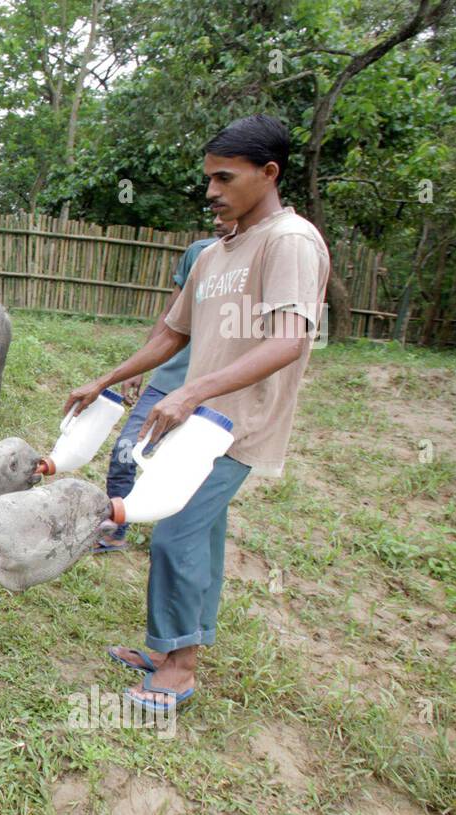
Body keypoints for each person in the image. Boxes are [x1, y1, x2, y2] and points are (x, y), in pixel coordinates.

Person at [64, 114, 329, 713]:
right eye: (208, 178)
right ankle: (171, 651)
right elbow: (171, 333)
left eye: (224, 177)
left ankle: (178, 670)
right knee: (200, 534)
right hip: (198, 418)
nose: (211, 191)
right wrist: (107, 379)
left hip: (236, 422)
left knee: (176, 531)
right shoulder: (214, 254)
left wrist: (192, 392)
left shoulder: (289, 242)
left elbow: (288, 341)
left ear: (269, 174)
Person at [95, 215, 232, 553]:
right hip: (170, 378)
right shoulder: (199, 253)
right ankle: (115, 527)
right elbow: (170, 318)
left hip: (217, 390)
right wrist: (137, 368)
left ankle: (181, 532)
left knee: (194, 470)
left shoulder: (265, 256)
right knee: (127, 449)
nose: (217, 219)